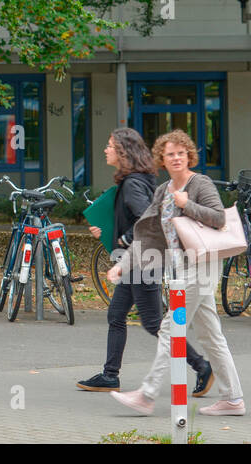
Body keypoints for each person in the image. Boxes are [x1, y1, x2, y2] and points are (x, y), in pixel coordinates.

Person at [108, 128, 246, 416]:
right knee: (210, 336)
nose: (176, 158)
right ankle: (233, 399)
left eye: (181, 153)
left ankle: (146, 395)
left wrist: (187, 205)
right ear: (162, 158)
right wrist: (123, 264)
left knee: (170, 327)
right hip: (181, 268)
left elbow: (219, 218)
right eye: (169, 154)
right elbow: (147, 235)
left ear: (189, 155)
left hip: (202, 266)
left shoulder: (200, 183)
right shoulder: (162, 191)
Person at [78, 128, 214, 397]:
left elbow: (148, 220)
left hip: (144, 260)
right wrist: (108, 231)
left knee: (153, 323)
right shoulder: (134, 180)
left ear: (123, 151)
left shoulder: (133, 183)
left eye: (109, 146)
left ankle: (201, 365)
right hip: (137, 260)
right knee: (116, 315)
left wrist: (126, 239)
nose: (105, 150)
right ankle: (110, 375)